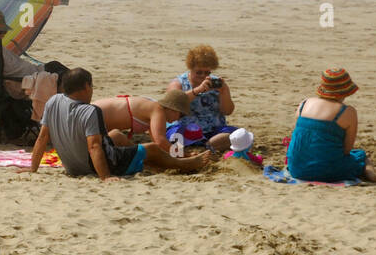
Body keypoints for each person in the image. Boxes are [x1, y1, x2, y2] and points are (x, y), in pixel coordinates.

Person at [23, 68, 211, 178]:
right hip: (93, 166)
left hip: (71, 166)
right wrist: (106, 178)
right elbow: (95, 147)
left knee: (116, 136)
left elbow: (42, 138)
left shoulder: (53, 101)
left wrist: (33, 170)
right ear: (87, 86)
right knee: (153, 148)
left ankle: (144, 161)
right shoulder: (90, 111)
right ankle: (187, 165)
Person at [286, 68, 376, 182]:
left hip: (296, 168)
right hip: (327, 170)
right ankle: (372, 176)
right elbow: (346, 149)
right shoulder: (347, 111)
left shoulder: (304, 104)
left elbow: (299, 137)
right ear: (345, 91)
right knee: (361, 156)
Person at [0, 10, 66, 99]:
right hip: (23, 81)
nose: (3, 35)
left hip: (29, 73)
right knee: (64, 75)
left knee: (55, 65)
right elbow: (8, 72)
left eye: (4, 31)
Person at [165, 45, 237, 151]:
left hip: (213, 130)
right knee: (176, 136)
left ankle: (207, 145)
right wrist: (197, 90)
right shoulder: (179, 83)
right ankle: (208, 146)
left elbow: (227, 111)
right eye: (198, 72)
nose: (203, 76)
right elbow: (172, 106)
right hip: (185, 129)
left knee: (240, 135)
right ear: (190, 68)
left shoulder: (215, 83)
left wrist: (224, 92)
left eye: (207, 72)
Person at [92, 88, 193, 149]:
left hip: (92, 114)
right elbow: (160, 141)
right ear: (173, 110)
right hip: (92, 116)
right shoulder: (158, 110)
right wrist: (182, 155)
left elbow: (158, 144)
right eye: (181, 115)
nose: (178, 119)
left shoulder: (153, 109)